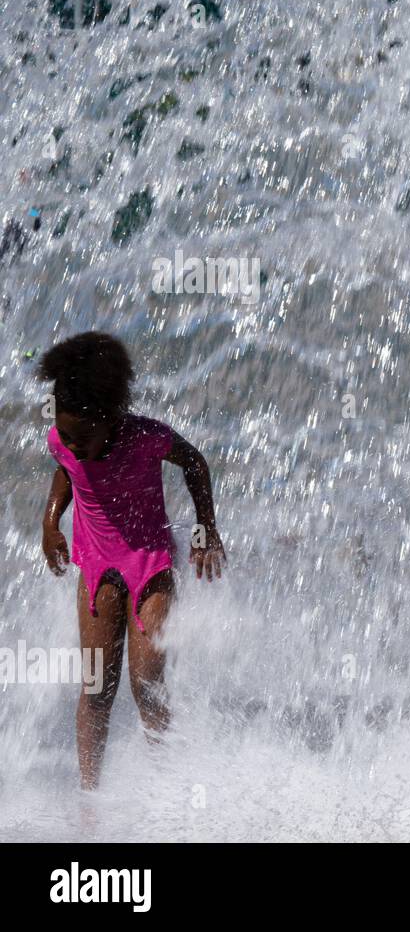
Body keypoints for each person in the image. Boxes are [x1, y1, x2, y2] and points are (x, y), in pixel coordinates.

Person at [38, 332, 226, 791]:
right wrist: (50, 524)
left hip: (151, 568)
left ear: (112, 418)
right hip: (97, 569)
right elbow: (67, 468)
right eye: (66, 435)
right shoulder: (63, 439)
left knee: (146, 686)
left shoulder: (144, 438)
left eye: (85, 437)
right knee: (97, 689)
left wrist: (205, 531)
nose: (75, 446)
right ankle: (89, 796)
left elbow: (195, 463)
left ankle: (166, 788)